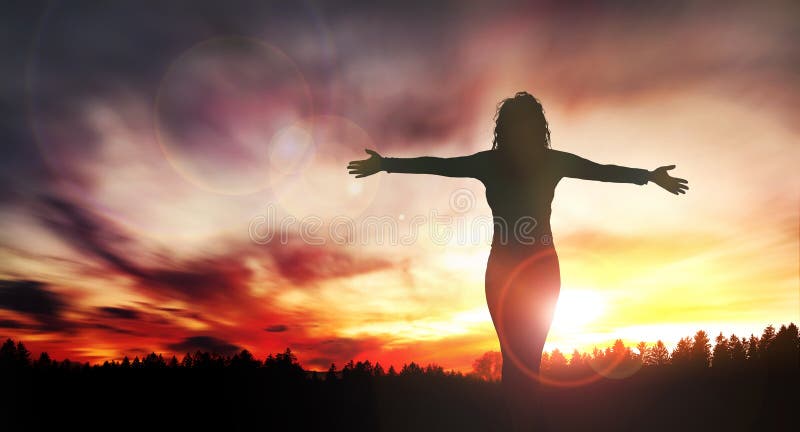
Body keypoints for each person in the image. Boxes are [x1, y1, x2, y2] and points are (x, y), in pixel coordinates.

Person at [347, 91, 688, 431]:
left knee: (528, 363)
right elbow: (438, 165)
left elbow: (601, 171)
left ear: (537, 128)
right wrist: (386, 164)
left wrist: (649, 176)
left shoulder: (551, 161)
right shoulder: (489, 163)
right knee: (515, 362)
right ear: (507, 129)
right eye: (517, 124)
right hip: (502, 274)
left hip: (541, 272)